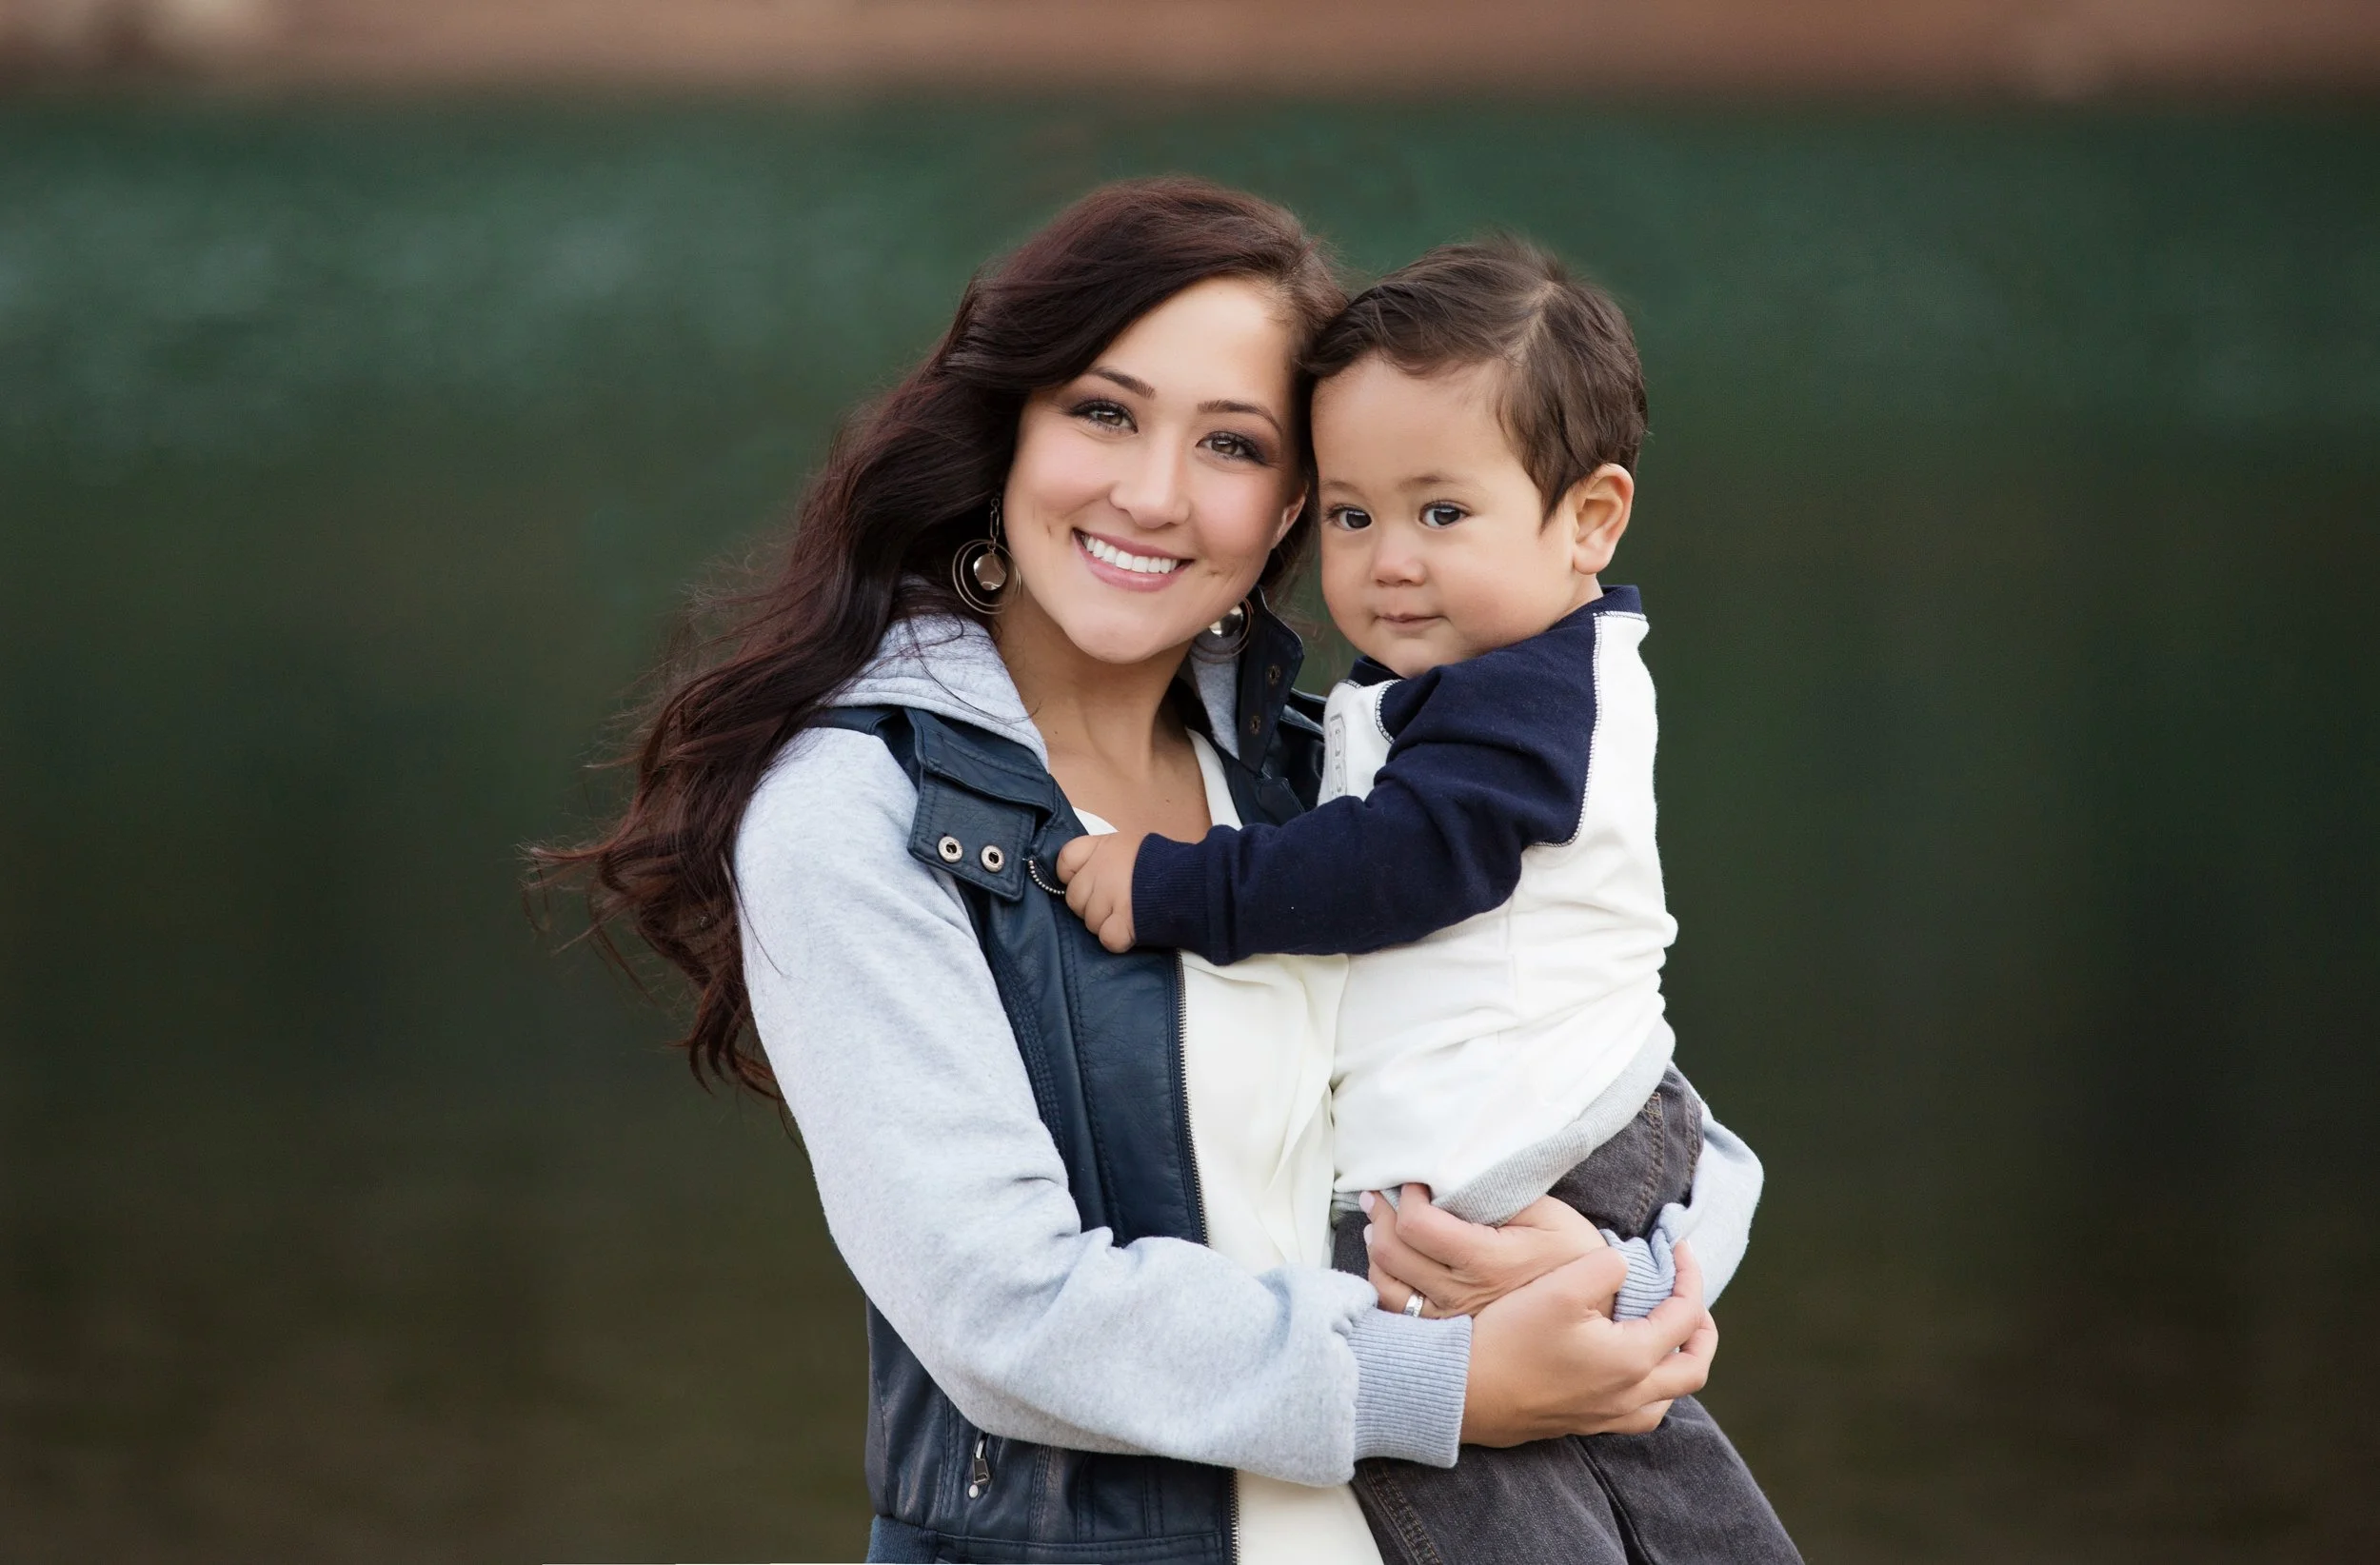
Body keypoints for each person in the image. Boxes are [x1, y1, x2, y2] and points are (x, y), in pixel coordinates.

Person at [539, 178, 1744, 1564]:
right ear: (1008, 431)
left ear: (1294, 501)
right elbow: (1004, 1311)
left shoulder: (1320, 779)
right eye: (1103, 413)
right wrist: (1456, 1380)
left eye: (1231, 444)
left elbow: (1643, 1111)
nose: (1154, 494)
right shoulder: (860, 807)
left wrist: (1619, 1281)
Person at [1056, 240, 1800, 1561]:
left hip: (1529, 1147)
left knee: (1461, 1459)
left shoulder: (1522, 697)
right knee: (1632, 1438)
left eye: (1441, 514)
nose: (1389, 562)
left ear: (1590, 518)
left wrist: (1173, 885)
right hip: (1571, 1126)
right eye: (1351, 516)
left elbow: (1397, 865)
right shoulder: (1515, 676)